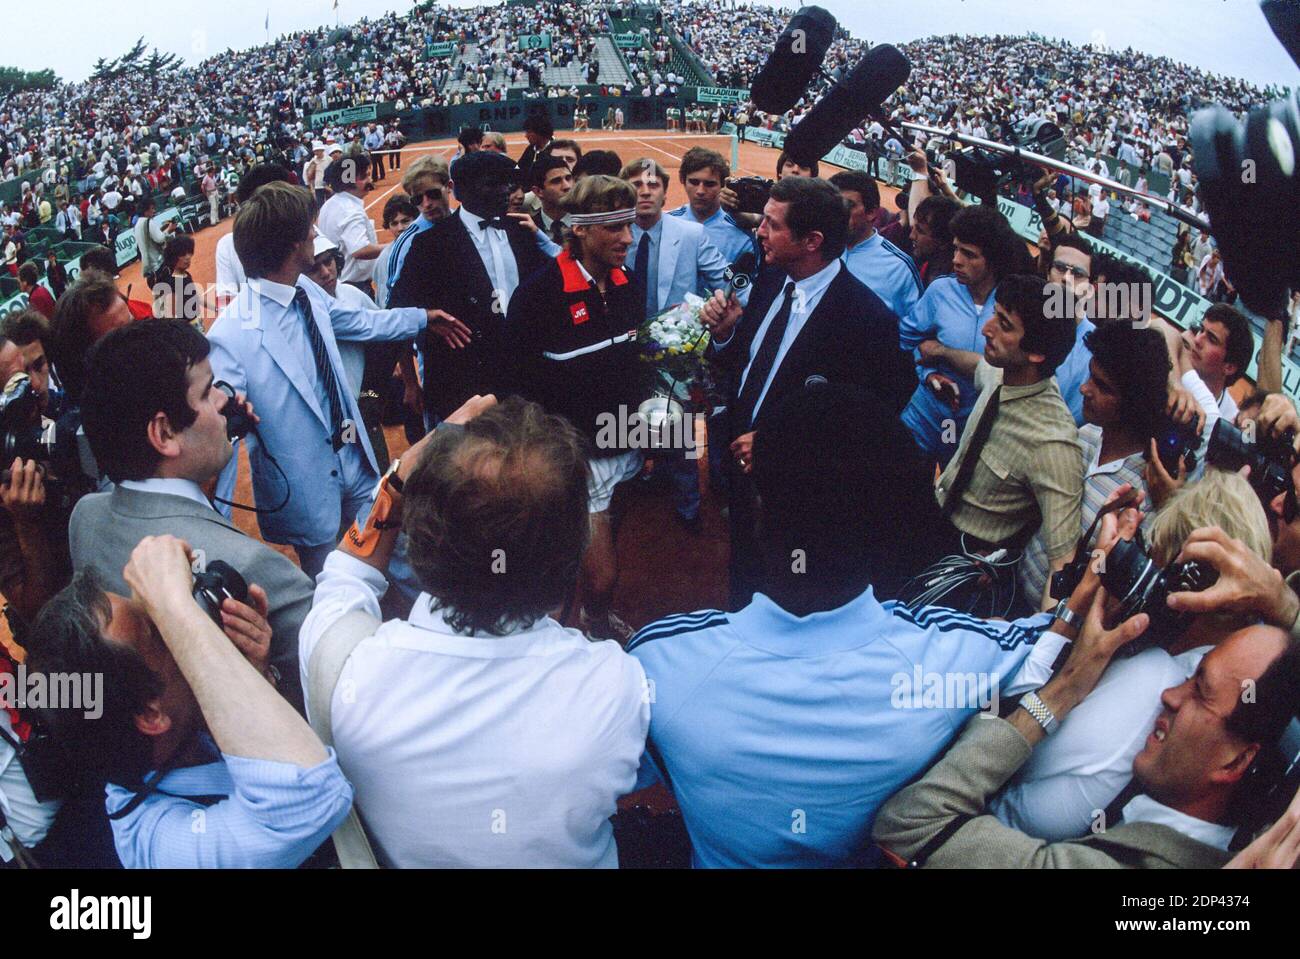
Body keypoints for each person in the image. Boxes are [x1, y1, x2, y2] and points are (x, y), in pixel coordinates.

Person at [629, 383, 1090, 866]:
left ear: (761, 507)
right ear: (881, 526)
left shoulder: (660, 663)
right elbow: (1047, 641)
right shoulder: (946, 663)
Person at [298, 396, 648, 867]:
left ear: (420, 543)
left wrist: (398, 481)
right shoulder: (618, 686)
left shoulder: (340, 665)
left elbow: (347, 574)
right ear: (570, 558)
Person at [26, 537, 353, 868]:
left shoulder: (180, 721)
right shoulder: (157, 842)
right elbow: (312, 796)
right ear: (151, 714)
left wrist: (254, 678)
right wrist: (175, 607)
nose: (181, 625)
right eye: (158, 627)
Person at [992, 469, 1274, 842]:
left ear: (1184, 590)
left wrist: (1072, 621)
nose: (1141, 575)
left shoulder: (1155, 681)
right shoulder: (1215, 672)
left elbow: (1001, 760)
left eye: (1153, 566)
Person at [206, 182, 467, 578]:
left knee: (399, 553)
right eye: (309, 229)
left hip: (356, 459)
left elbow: (358, 321)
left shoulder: (307, 290)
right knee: (331, 582)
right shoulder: (229, 334)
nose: (315, 235)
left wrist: (421, 318)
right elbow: (222, 432)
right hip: (305, 489)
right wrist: (215, 524)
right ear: (293, 245)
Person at [72, 318, 316, 712]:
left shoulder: (85, 518)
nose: (224, 400)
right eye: (206, 393)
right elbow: (334, 694)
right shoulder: (251, 567)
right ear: (164, 434)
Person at [700, 176, 915, 608]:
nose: (759, 231)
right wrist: (724, 336)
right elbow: (745, 362)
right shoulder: (769, 280)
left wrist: (780, 444)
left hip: (802, 495)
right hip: (743, 476)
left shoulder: (866, 320)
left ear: (812, 240)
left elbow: (869, 424)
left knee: (790, 592)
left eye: (772, 224)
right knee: (744, 574)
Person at [504, 175, 644, 641]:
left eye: (628, 225)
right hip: (576, 457)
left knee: (604, 542)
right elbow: (516, 387)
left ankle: (592, 616)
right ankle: (577, 626)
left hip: (624, 439)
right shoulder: (539, 296)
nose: (627, 237)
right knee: (600, 573)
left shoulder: (627, 282)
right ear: (579, 229)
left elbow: (632, 363)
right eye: (613, 227)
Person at [931, 276, 1083, 611]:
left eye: (1004, 325)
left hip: (970, 570)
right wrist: (938, 354)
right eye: (994, 315)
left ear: (1037, 354)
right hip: (934, 522)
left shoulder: (1053, 443)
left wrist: (1039, 648)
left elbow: (1063, 563)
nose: (987, 329)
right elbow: (979, 367)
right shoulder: (1002, 373)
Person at [389, 150, 552, 423]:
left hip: (522, 381)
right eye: (493, 184)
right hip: (462, 389)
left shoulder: (522, 231)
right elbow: (399, 311)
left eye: (506, 184)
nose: (505, 192)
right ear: (461, 191)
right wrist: (411, 379)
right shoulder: (429, 245)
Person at [1018, 322, 1170, 604]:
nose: (1085, 389)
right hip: (1011, 592)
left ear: (1133, 404)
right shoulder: (1085, 435)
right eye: (1091, 375)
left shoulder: (1142, 492)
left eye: (1102, 386)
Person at [900, 204, 1023, 466]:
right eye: (956, 249)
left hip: (971, 427)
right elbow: (906, 339)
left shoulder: (1012, 308)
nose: (957, 260)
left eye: (969, 254)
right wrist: (927, 373)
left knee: (946, 495)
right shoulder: (940, 290)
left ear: (993, 261)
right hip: (922, 413)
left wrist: (942, 352)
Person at [0, 314, 70, 625]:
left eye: (35, 369)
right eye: (15, 387)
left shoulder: (64, 415)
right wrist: (25, 522)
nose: (36, 387)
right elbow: (36, 609)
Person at [831, 170, 923, 322]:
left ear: (871, 212)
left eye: (848, 205)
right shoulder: (814, 249)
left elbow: (914, 329)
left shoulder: (899, 268)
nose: (839, 213)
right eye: (834, 205)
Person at [668, 147, 756, 266]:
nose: (700, 191)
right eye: (694, 182)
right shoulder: (667, 224)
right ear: (682, 180)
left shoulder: (743, 235)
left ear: (723, 185)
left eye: (710, 184)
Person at [151, 234, 202, 329]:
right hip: (189, 328)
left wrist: (214, 307)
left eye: (189, 253)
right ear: (173, 257)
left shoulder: (186, 275)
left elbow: (195, 297)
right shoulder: (173, 282)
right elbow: (170, 315)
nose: (188, 257)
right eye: (182, 254)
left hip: (197, 322)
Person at [529, 154, 573, 246]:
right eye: (556, 181)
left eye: (568, 178)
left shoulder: (588, 224)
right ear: (538, 191)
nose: (567, 186)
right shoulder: (527, 230)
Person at [132, 197, 174, 289]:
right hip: (158, 263)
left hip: (149, 267)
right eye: (152, 208)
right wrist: (169, 230)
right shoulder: (148, 222)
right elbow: (160, 239)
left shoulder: (137, 224)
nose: (154, 211)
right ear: (145, 210)